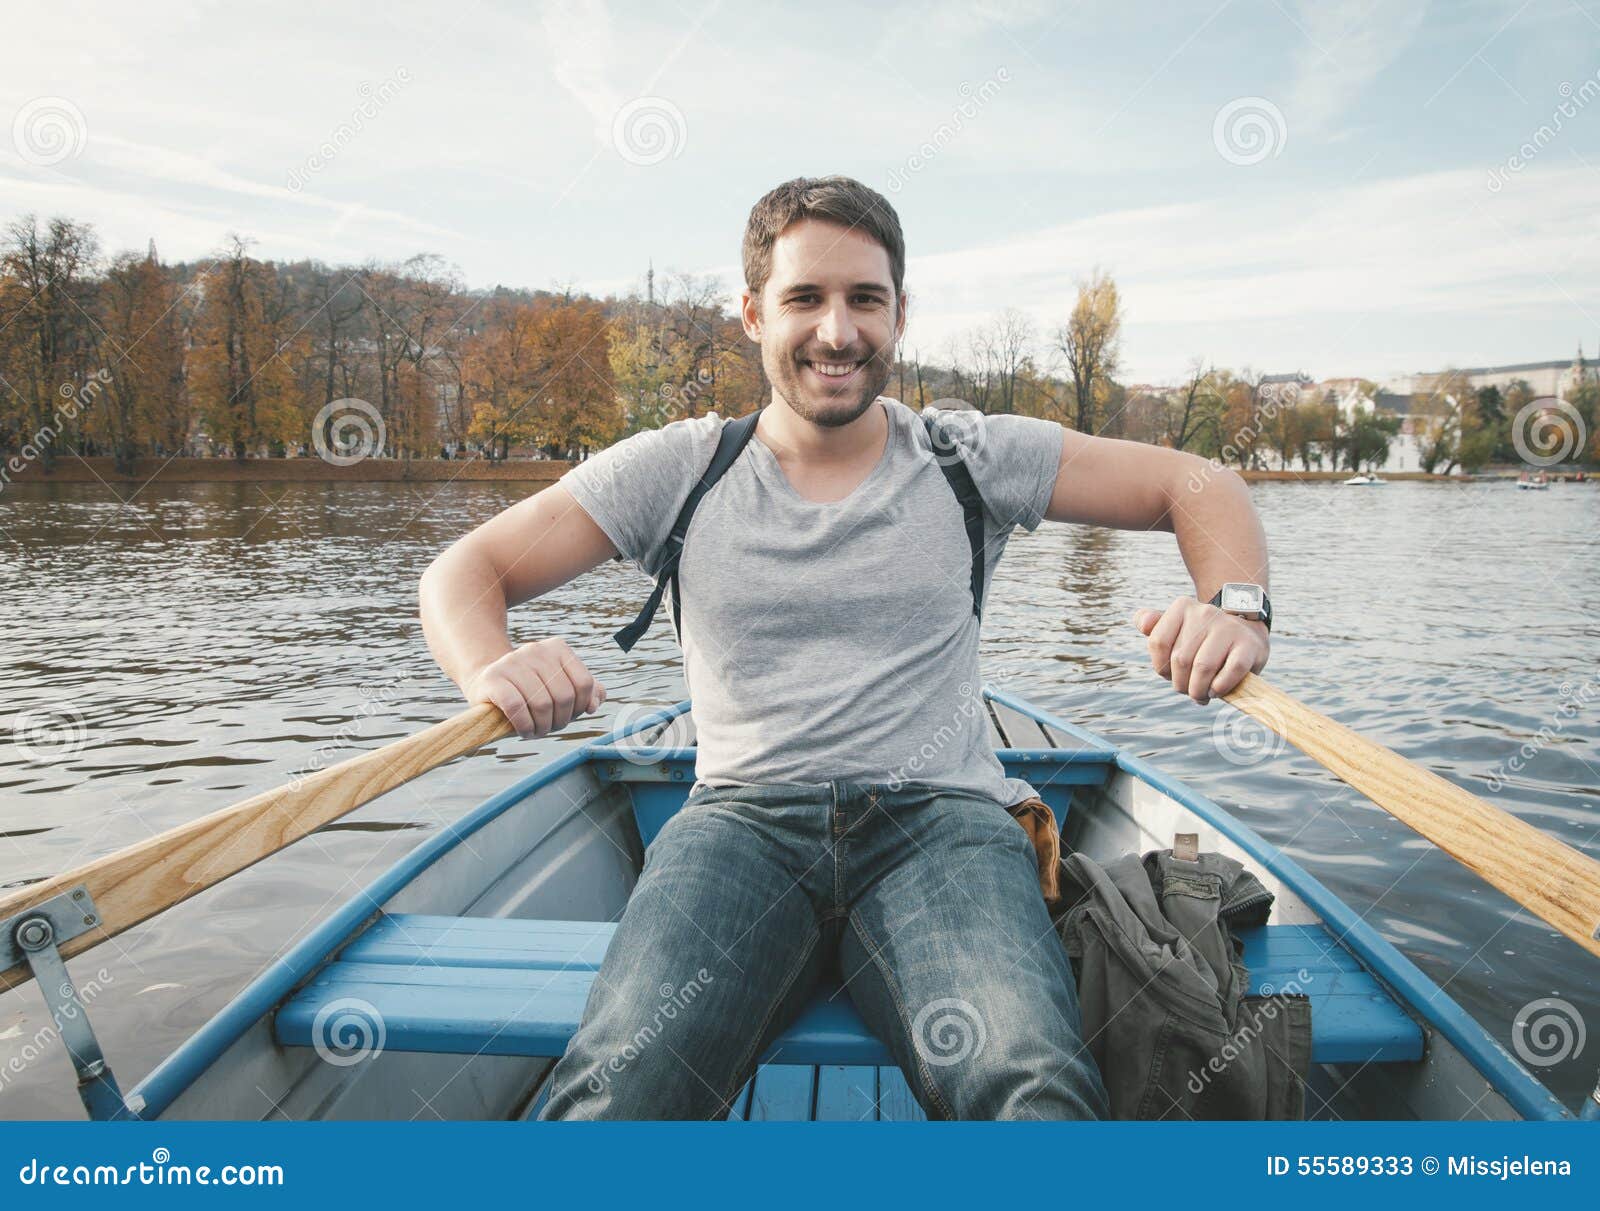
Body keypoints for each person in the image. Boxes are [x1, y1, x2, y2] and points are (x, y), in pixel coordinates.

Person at [418, 175, 1272, 1120]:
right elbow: (466, 571)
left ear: (900, 313)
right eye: (804, 298)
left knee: (1029, 1085)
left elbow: (1195, 483)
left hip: (943, 826)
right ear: (751, 313)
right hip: (741, 824)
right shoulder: (683, 468)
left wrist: (1234, 609)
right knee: (619, 1084)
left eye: (865, 299)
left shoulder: (965, 455)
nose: (837, 331)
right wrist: (486, 662)